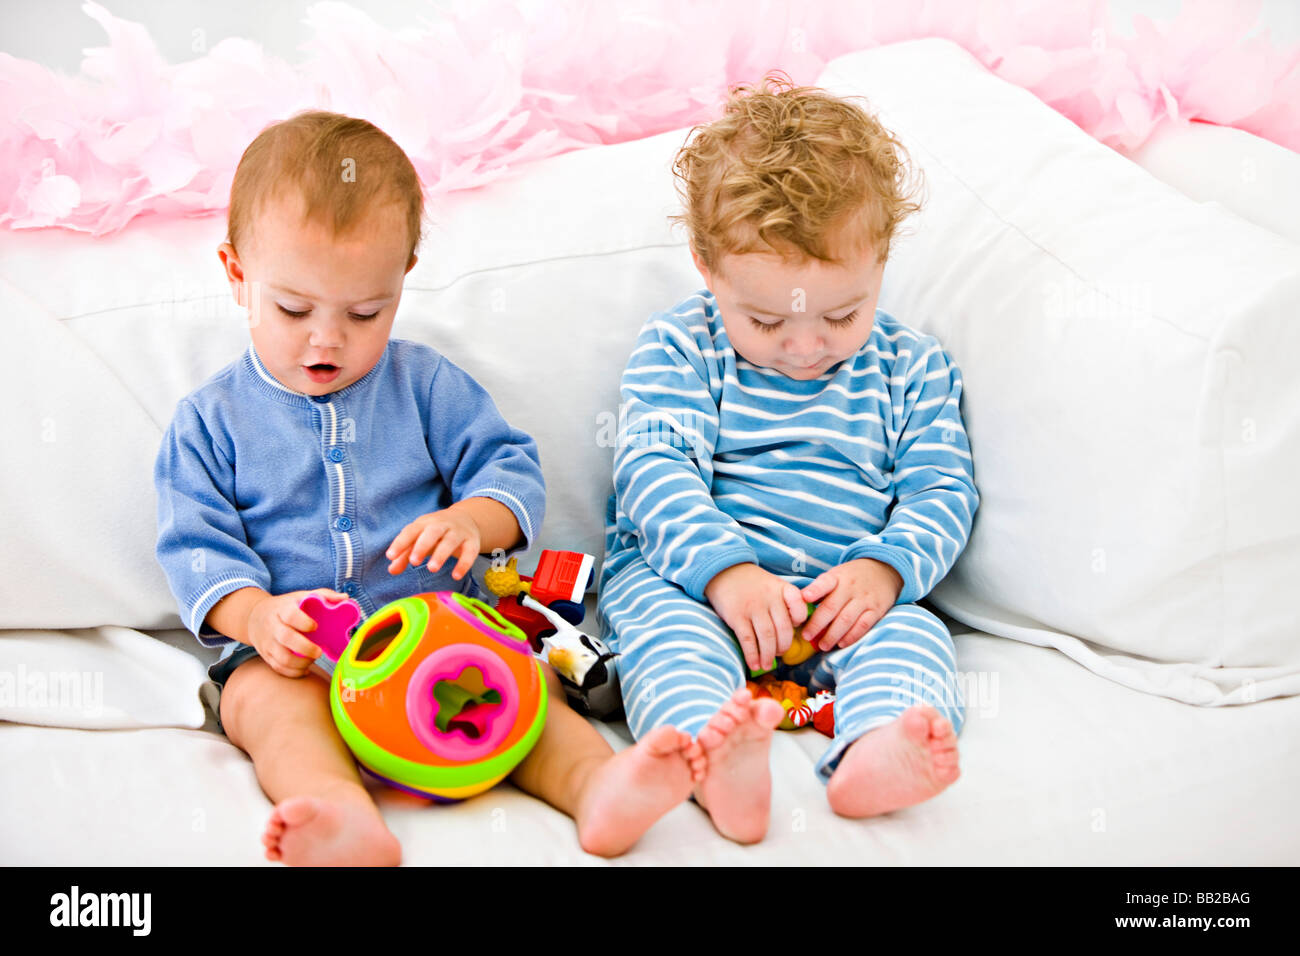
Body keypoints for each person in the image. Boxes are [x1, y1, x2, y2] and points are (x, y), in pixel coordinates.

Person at [154, 110, 704, 865]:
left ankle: (597, 787)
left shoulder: (425, 387)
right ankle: (341, 815)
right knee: (266, 708)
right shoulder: (209, 423)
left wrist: (474, 524)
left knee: (527, 693)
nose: (327, 338)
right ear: (237, 275)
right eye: (292, 309)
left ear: (401, 282)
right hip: (302, 661)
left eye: (364, 312)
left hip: (443, 637)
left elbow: (508, 469)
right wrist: (257, 618)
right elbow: (196, 549)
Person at [597, 76, 978, 844]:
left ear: (881, 261)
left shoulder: (914, 368)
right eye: (766, 320)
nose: (807, 347)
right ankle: (714, 757)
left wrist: (888, 571)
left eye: (843, 314)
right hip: (698, 585)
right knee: (666, 639)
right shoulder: (682, 348)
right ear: (708, 268)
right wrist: (726, 573)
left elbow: (942, 488)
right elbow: (653, 472)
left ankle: (874, 751)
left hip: (844, 597)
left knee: (915, 638)